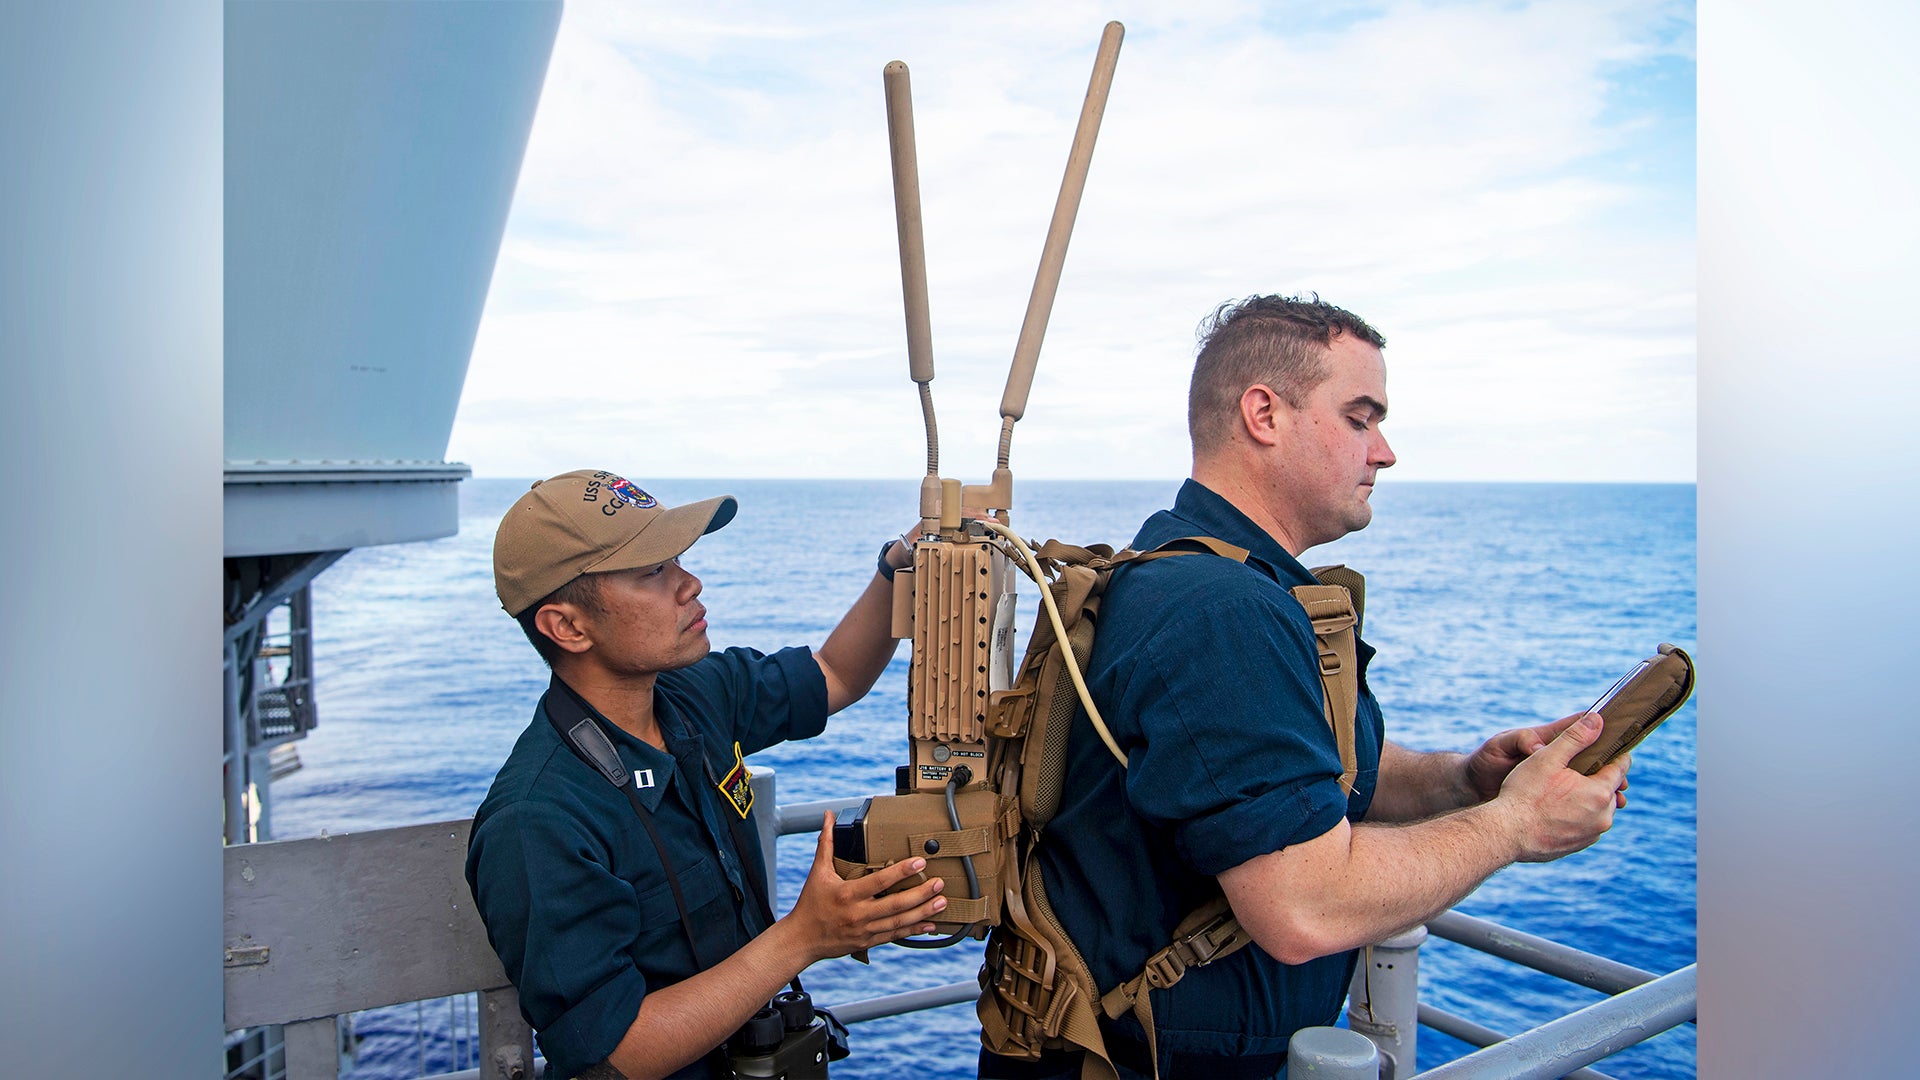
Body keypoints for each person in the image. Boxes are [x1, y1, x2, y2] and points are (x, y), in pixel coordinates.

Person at [978, 296, 1631, 1079]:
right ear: (1264, 414)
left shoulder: (1178, 571)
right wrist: (1516, 824)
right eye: (1361, 417)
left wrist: (1466, 779)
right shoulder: (1223, 614)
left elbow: (1281, 777)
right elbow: (1304, 905)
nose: (1383, 452)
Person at [466, 469, 945, 1080]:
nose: (690, 584)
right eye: (652, 573)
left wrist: (897, 566)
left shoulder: (694, 694)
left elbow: (834, 675)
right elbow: (614, 1053)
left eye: (678, 562)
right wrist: (804, 937)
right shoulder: (537, 820)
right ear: (568, 626)